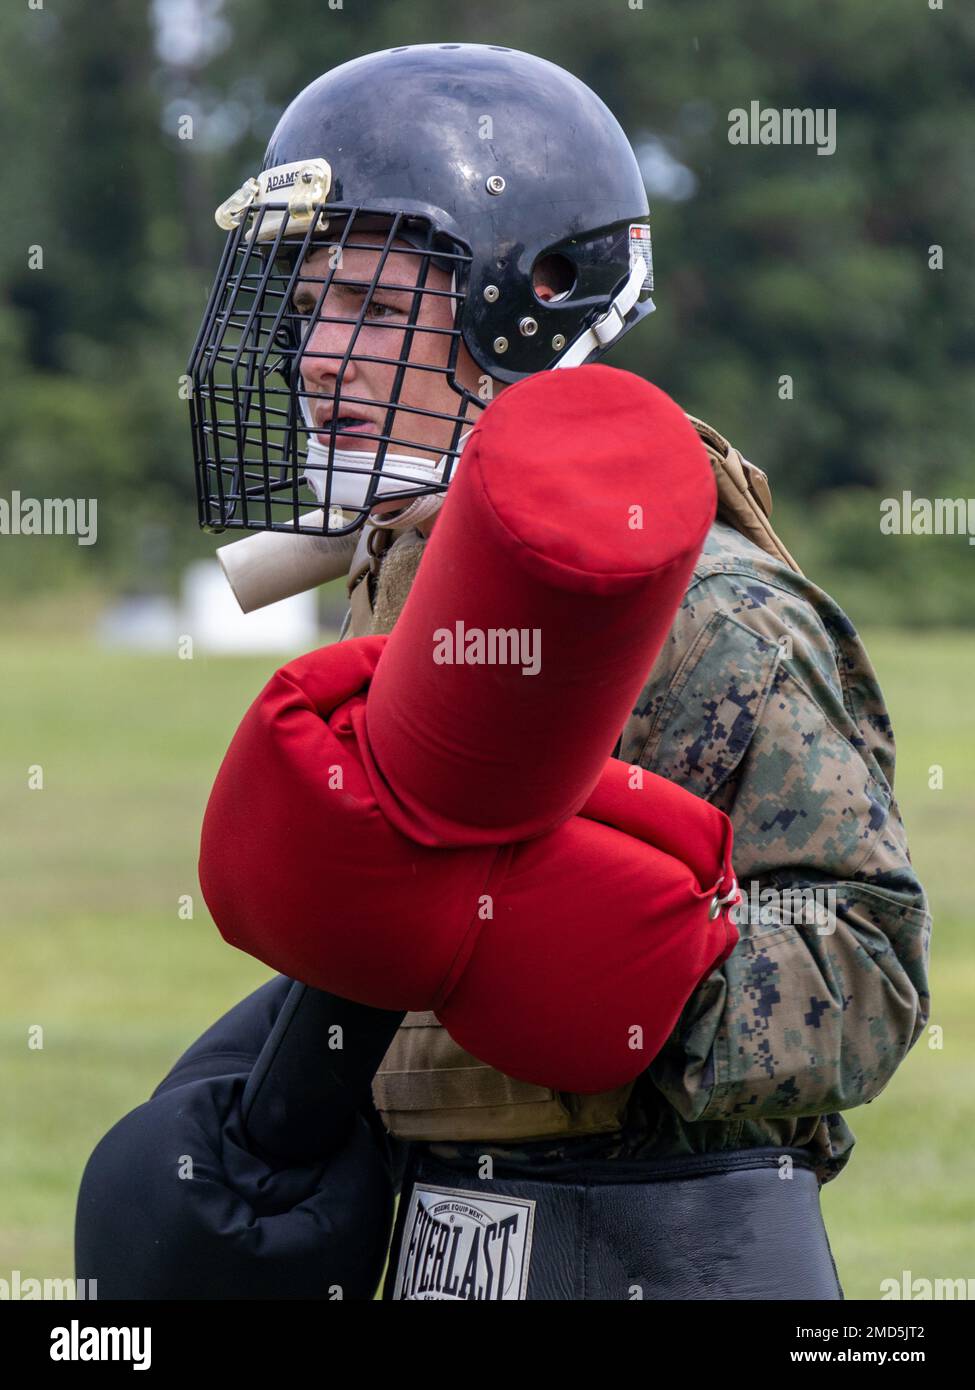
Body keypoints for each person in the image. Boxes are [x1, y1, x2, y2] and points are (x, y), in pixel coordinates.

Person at [79, 43, 930, 1302]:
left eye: (370, 309)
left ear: (530, 297)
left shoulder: (711, 610)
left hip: (667, 1248)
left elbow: (870, 971)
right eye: (313, 308)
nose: (319, 355)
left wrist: (639, 978)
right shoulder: (403, 558)